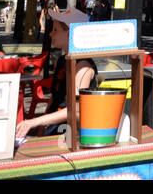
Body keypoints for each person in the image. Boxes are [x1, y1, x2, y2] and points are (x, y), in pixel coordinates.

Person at [17, 8, 96, 139]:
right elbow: (54, 99)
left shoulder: (83, 66)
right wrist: (40, 132)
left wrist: (33, 122)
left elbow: (75, 110)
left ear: (71, 34)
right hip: (55, 128)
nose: (50, 34)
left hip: (71, 133)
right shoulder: (62, 61)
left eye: (55, 30)